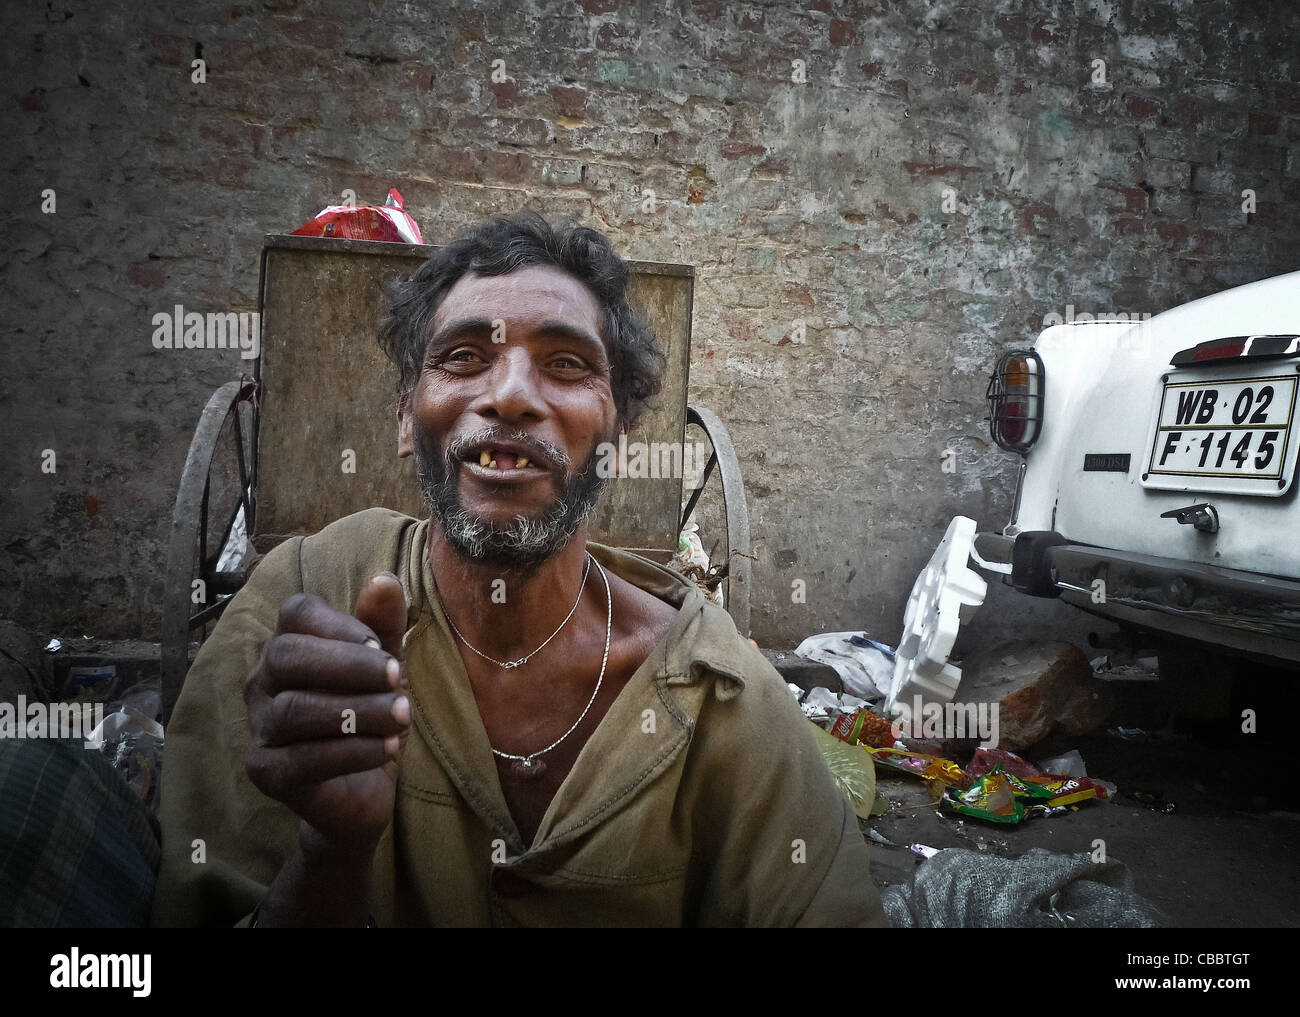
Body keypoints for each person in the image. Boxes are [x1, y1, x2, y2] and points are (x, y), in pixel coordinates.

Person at [151, 211, 887, 927]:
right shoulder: (305, 598)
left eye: (566, 364)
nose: (508, 394)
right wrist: (331, 852)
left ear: (619, 438)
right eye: (464, 355)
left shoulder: (722, 695)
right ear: (408, 417)